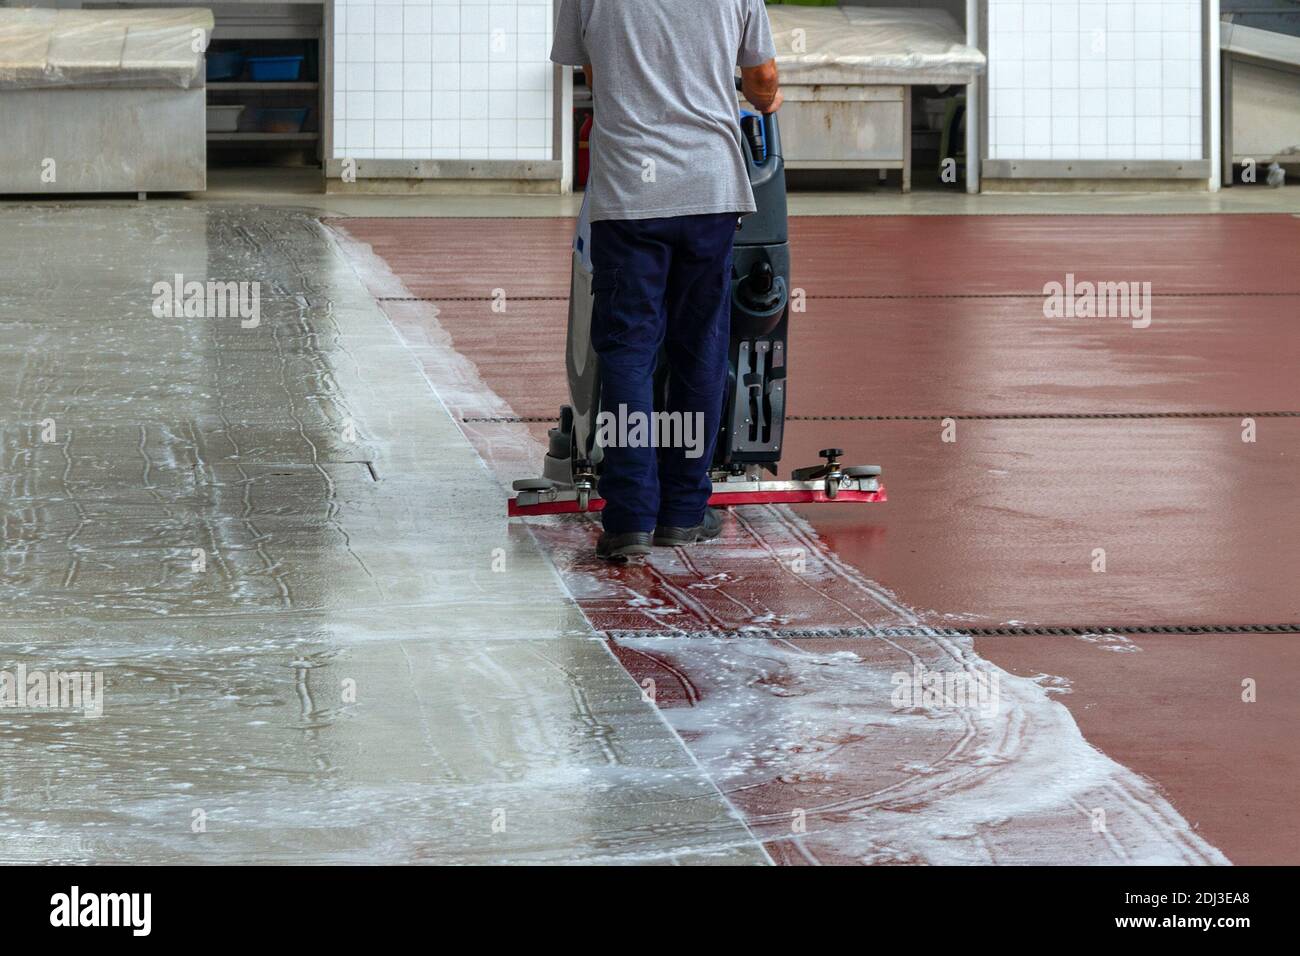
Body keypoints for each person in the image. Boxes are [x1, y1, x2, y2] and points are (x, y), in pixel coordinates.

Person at [550, 0, 783, 562]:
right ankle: (682, 513)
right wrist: (763, 99)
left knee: (629, 351)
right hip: (708, 189)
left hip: (629, 193)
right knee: (699, 348)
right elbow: (762, 76)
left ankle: (629, 518)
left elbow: (590, 70)